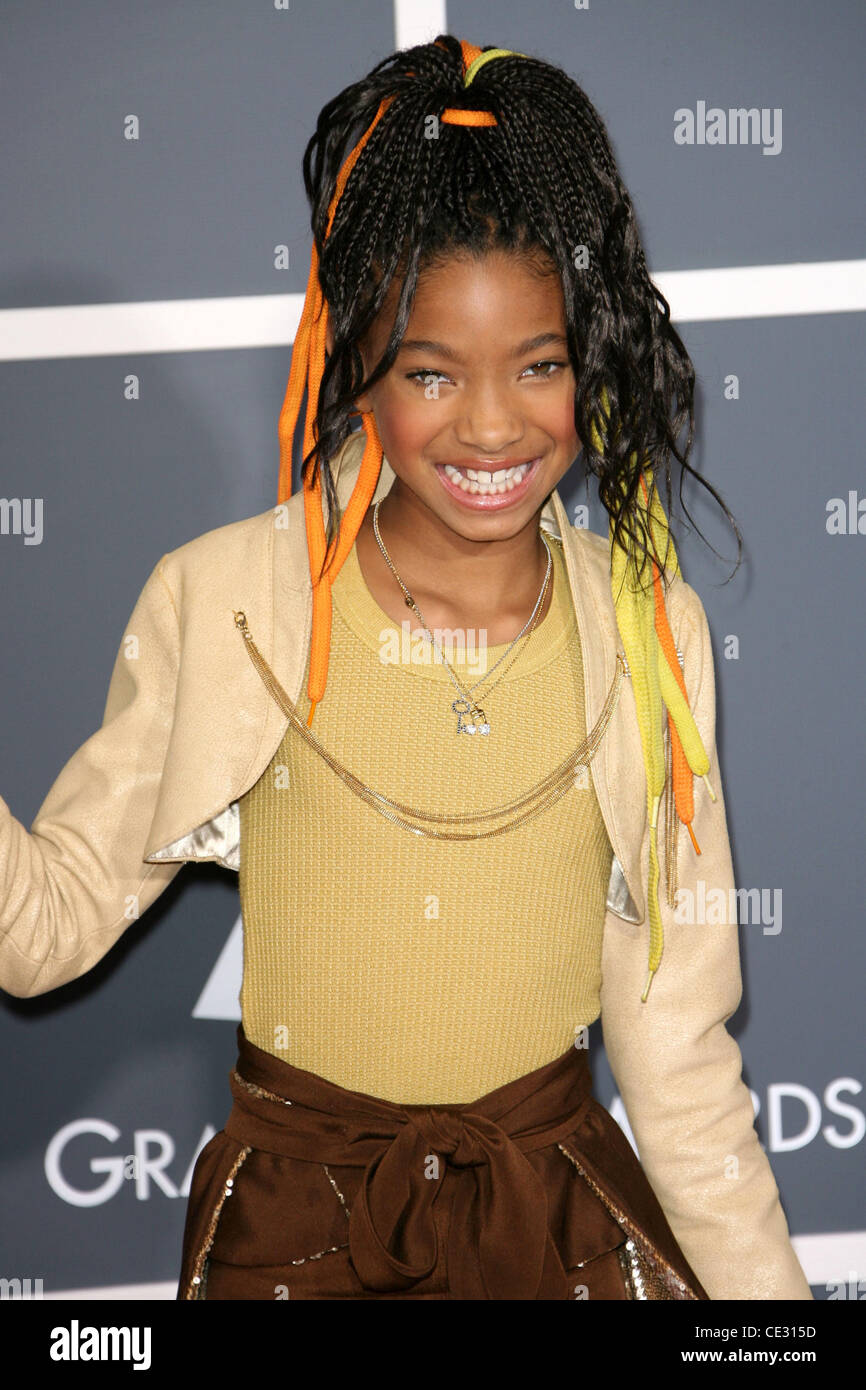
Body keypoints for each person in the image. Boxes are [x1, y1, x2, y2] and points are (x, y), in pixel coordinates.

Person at [0, 36, 812, 1301]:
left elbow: (678, 1061)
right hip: (291, 1243)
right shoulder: (226, 604)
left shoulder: (649, 632)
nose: (490, 426)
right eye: (430, 372)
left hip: (559, 1234)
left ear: (589, 360)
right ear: (354, 368)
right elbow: (38, 935)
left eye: (537, 365)